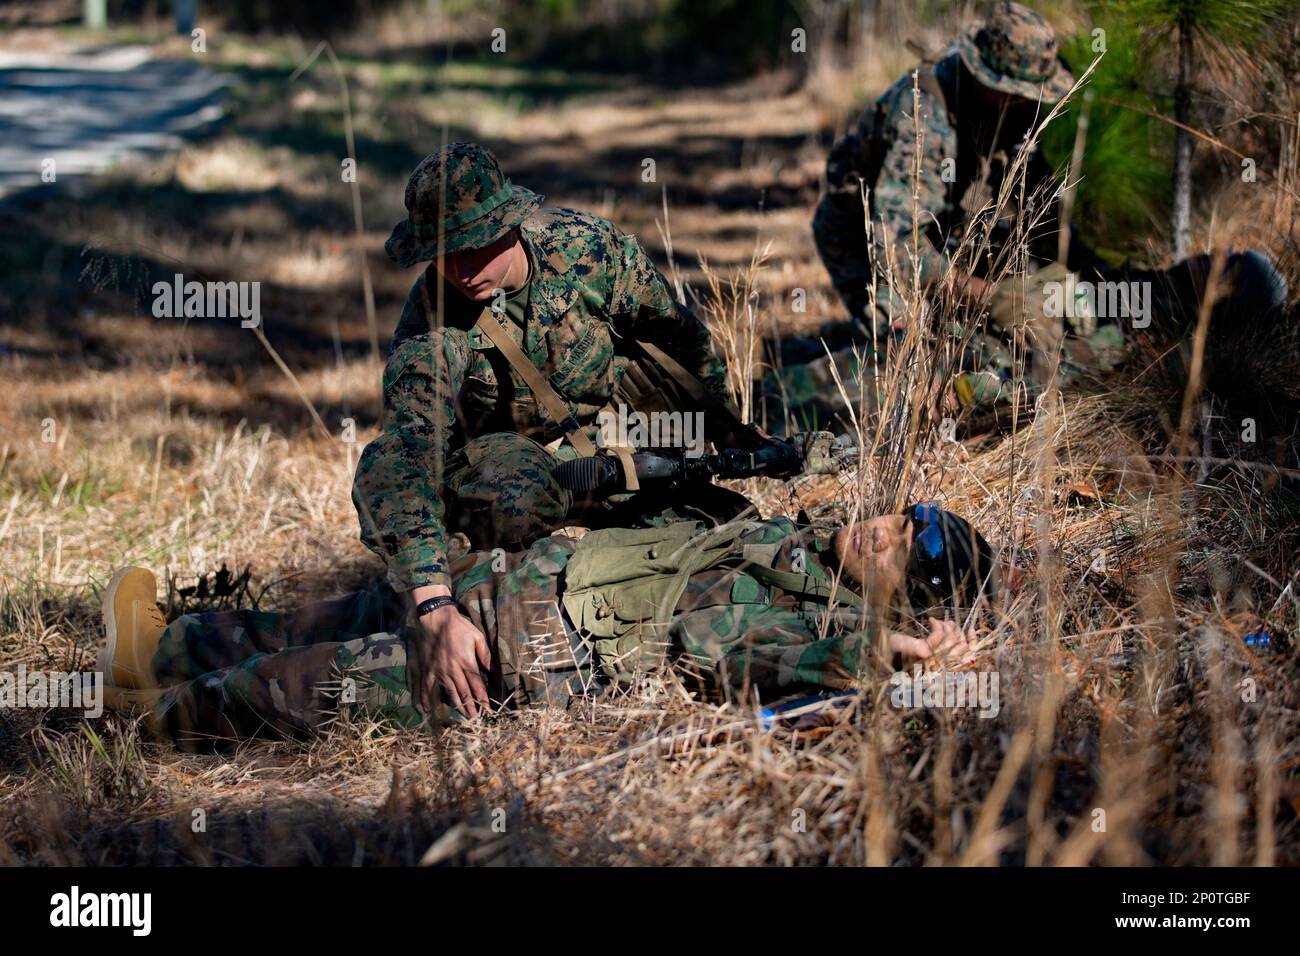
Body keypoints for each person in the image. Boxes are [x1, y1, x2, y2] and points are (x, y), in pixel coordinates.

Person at [354, 141, 765, 719]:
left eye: (476, 247)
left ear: (510, 225)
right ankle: (510, 573)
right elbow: (403, 463)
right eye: (446, 254)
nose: (464, 270)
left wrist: (724, 431)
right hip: (512, 488)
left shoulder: (588, 253)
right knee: (512, 486)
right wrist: (432, 605)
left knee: (727, 530)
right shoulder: (430, 335)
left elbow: (679, 337)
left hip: (619, 444)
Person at [95, 503, 998, 753]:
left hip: (513, 656)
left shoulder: (812, 630)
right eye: (905, 514)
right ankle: (156, 648)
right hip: (501, 585)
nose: (885, 531)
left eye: (905, 552)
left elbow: (731, 653)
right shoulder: (792, 540)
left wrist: (891, 657)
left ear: (902, 603)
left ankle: (138, 729)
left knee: (294, 686)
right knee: (307, 621)